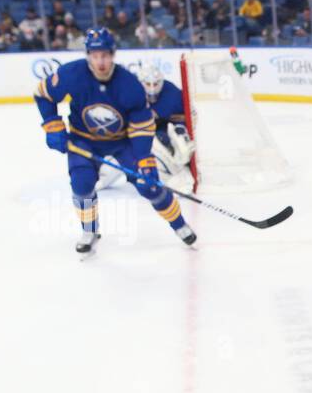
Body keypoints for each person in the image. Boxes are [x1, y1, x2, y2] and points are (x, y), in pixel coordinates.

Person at [33, 28, 197, 256]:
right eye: (95, 55)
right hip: (84, 140)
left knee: (150, 185)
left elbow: (141, 126)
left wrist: (144, 159)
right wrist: (52, 125)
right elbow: (43, 94)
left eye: (105, 55)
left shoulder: (129, 84)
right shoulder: (72, 74)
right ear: (88, 54)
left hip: (122, 142)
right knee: (82, 183)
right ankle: (90, 231)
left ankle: (180, 225)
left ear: (113, 54)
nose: (100, 62)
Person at [138, 66, 194, 180]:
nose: (152, 88)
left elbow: (192, 115)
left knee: (178, 141)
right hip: (152, 129)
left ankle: (179, 164)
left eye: (156, 83)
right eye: (148, 84)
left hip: (170, 126)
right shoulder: (133, 94)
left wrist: (179, 122)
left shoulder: (172, 93)